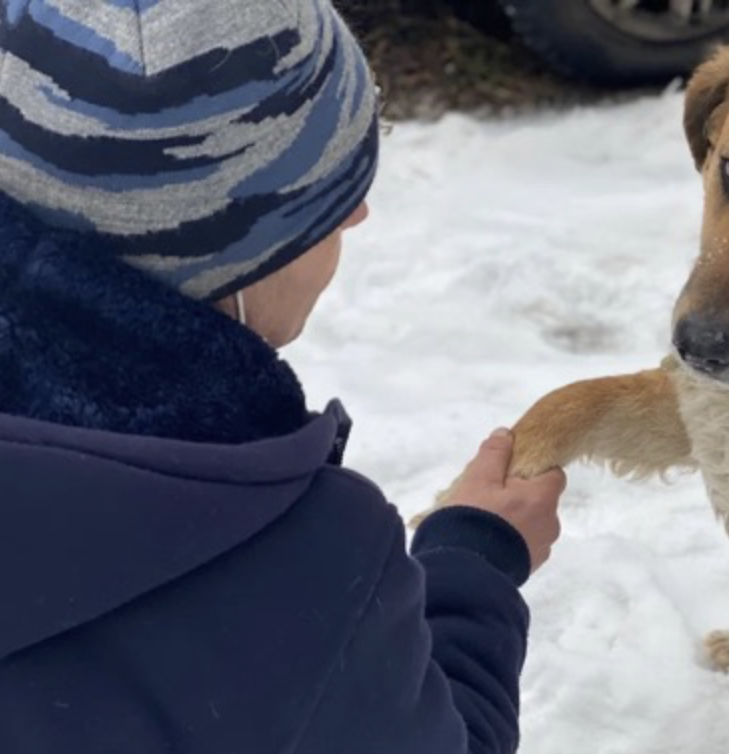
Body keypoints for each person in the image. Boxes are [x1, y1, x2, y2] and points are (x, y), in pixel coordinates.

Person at [0, 2, 567, 753]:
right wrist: (473, 564)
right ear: (228, 250)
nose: (360, 212)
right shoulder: (297, 565)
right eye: (326, 198)